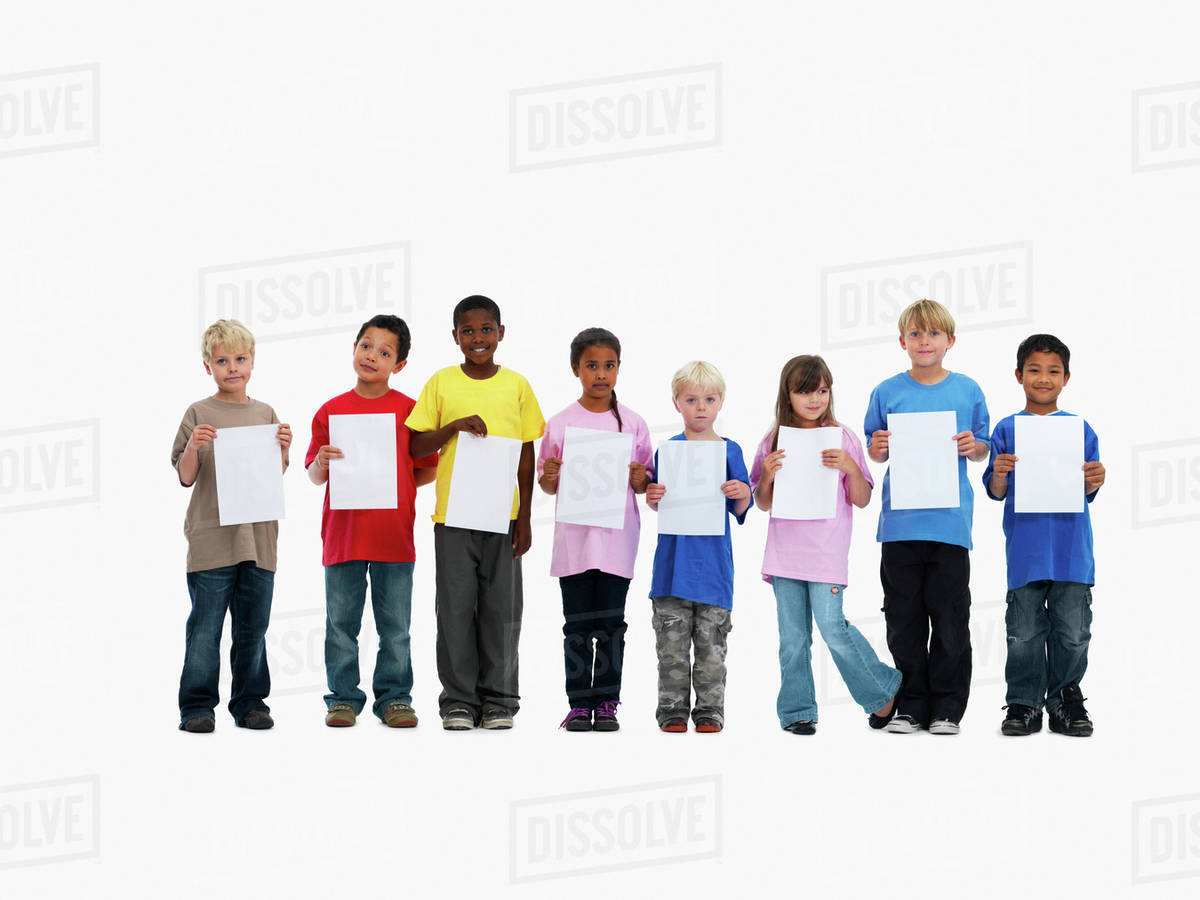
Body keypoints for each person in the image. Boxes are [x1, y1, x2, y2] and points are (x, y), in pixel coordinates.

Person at [406, 295, 545, 730]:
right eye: (468, 331)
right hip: (453, 518)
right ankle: (459, 701)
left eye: (486, 329)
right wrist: (451, 427)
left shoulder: (517, 385)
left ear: (501, 333)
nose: (478, 338)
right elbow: (415, 447)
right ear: (455, 337)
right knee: (455, 609)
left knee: (502, 609)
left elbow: (526, 453)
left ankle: (500, 700)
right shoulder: (442, 383)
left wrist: (524, 517)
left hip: (503, 518)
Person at [751, 354, 900, 735]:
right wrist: (767, 476)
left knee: (832, 626)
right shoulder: (774, 440)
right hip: (785, 553)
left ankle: (882, 690)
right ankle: (798, 710)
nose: (815, 399)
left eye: (821, 390)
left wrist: (850, 466)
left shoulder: (843, 436)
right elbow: (763, 503)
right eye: (805, 391)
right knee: (792, 639)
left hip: (825, 553)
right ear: (788, 394)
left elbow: (863, 498)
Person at [305, 315, 438, 728]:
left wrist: (396, 489)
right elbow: (313, 474)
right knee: (340, 625)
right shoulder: (331, 410)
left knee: (395, 626)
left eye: (385, 352)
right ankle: (342, 697)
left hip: (394, 537)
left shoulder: (410, 411)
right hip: (343, 536)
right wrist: (323, 462)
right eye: (366, 345)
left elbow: (426, 469)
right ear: (353, 348)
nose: (372, 356)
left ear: (398, 365)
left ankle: (395, 697)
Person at [864, 298, 990, 735]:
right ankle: (912, 705)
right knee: (903, 622)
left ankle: (947, 708)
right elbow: (874, 446)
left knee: (951, 619)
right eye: (915, 334)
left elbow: (984, 446)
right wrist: (876, 449)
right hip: (900, 525)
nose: (924, 341)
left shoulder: (968, 390)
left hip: (950, 525)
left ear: (950, 340)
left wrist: (974, 447)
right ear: (902, 341)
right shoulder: (887, 391)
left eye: (933, 333)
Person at [170, 319, 291, 733]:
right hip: (212, 540)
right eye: (222, 361)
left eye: (240, 358)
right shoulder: (199, 413)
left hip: (258, 539)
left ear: (253, 361)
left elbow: (273, 478)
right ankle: (197, 707)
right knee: (205, 629)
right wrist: (193, 446)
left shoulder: (265, 414)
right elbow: (186, 477)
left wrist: (282, 449)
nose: (232, 367)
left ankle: (250, 702)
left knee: (253, 627)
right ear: (208, 366)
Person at [984, 334, 1105, 737]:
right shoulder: (1006, 429)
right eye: (1034, 370)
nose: (1043, 378)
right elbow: (996, 492)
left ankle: (1065, 698)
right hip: (1027, 550)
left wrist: (1095, 478)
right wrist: (1000, 472)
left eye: (1053, 371)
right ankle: (1024, 700)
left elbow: (1087, 490)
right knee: (1023, 632)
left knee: (1072, 631)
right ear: (1019, 375)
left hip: (1072, 550)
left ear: (1066, 378)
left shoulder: (1080, 429)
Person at [538, 328, 652, 733]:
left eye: (609, 365)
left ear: (619, 368)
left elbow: (644, 485)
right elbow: (547, 483)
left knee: (612, 626)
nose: (601, 374)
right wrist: (550, 475)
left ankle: (606, 701)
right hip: (575, 542)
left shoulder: (634, 423)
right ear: (576, 369)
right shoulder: (560, 423)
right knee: (576, 626)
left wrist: (640, 476)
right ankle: (577, 703)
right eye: (592, 366)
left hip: (617, 542)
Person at [646, 361, 751, 733]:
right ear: (677, 403)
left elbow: (741, 508)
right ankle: (672, 709)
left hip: (714, 573)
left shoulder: (730, 451)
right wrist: (653, 495)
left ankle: (710, 709)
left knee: (712, 650)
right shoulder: (668, 452)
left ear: (720, 402)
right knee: (671, 650)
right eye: (691, 399)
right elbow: (658, 501)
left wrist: (742, 492)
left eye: (708, 399)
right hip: (671, 572)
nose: (700, 407)